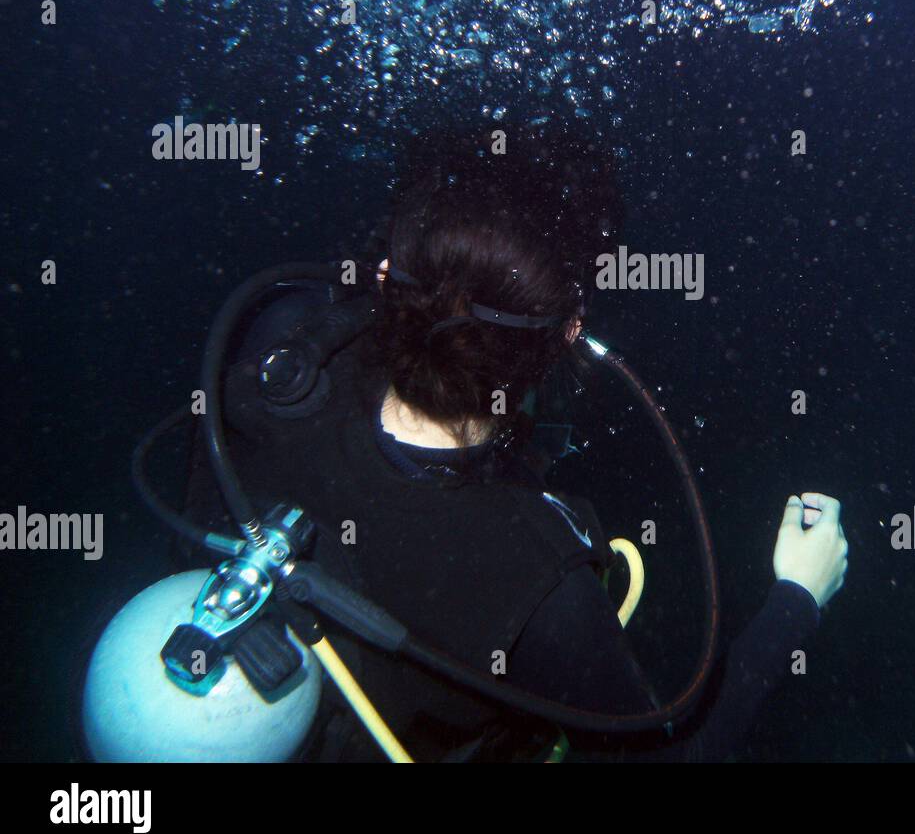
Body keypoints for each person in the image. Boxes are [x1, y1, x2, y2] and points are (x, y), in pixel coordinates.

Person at [182, 127, 848, 761]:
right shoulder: (540, 581)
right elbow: (676, 756)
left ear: (385, 276)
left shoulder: (281, 344)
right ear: (567, 335)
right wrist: (797, 597)